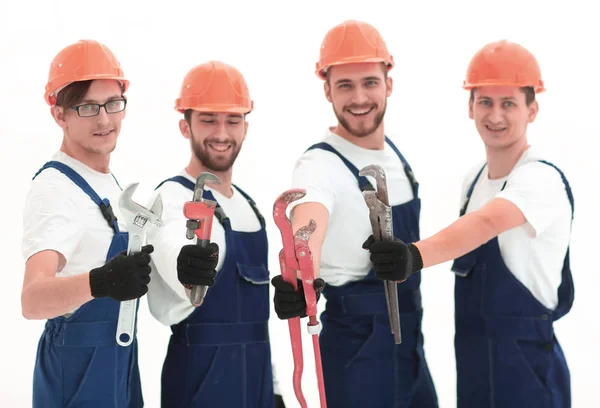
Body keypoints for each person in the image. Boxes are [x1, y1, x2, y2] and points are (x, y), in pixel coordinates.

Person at [364, 40, 574, 408]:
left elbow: (487, 222)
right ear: (470, 106)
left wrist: (413, 256)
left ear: (533, 109)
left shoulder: (540, 180)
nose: (495, 115)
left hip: (528, 379)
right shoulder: (474, 181)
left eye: (509, 103)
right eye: (485, 102)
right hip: (475, 372)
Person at [271, 20, 439, 407]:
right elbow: (309, 215)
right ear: (327, 89)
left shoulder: (396, 158)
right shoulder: (319, 164)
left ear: (388, 84)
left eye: (369, 82)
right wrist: (302, 269)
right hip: (356, 351)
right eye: (345, 85)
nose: (359, 97)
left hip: (411, 345)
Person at [21, 39, 152, 407]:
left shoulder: (106, 180)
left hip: (120, 356)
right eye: (88, 107)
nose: (105, 119)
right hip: (78, 366)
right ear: (59, 114)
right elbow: (32, 299)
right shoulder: (54, 189)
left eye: (113, 103)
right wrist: (102, 281)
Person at [147, 60, 284, 408]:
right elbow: (171, 236)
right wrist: (184, 262)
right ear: (184, 125)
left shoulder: (251, 208)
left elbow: (258, 328)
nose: (222, 133)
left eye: (232, 120)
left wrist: (276, 389)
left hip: (258, 385)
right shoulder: (172, 197)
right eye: (208, 120)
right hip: (199, 385)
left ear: (245, 127)